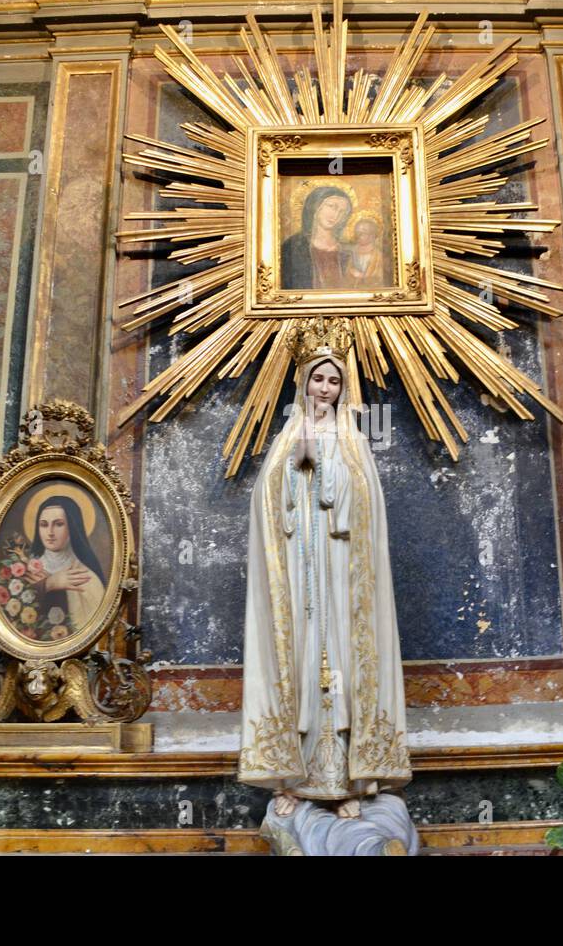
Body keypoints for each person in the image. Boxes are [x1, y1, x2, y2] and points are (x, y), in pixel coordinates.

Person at [238, 319, 411, 821]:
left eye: (335, 380)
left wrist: (327, 466)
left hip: (340, 574)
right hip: (299, 574)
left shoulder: (354, 441)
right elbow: (269, 509)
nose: (326, 389)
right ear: (303, 381)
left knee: (344, 665)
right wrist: (297, 463)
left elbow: (362, 505)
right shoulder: (287, 438)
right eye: (318, 378)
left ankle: (348, 783)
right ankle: (294, 779)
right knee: (298, 661)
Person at [25, 495, 106, 637]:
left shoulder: (85, 577)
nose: (50, 532)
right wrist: (49, 584)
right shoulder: (25, 570)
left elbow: (96, 632)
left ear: (72, 528)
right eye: (44, 524)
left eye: (58, 524)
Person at [280, 187, 353, 290]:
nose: (336, 215)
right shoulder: (293, 246)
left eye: (342, 212)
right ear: (315, 206)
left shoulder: (348, 250)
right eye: (332, 206)